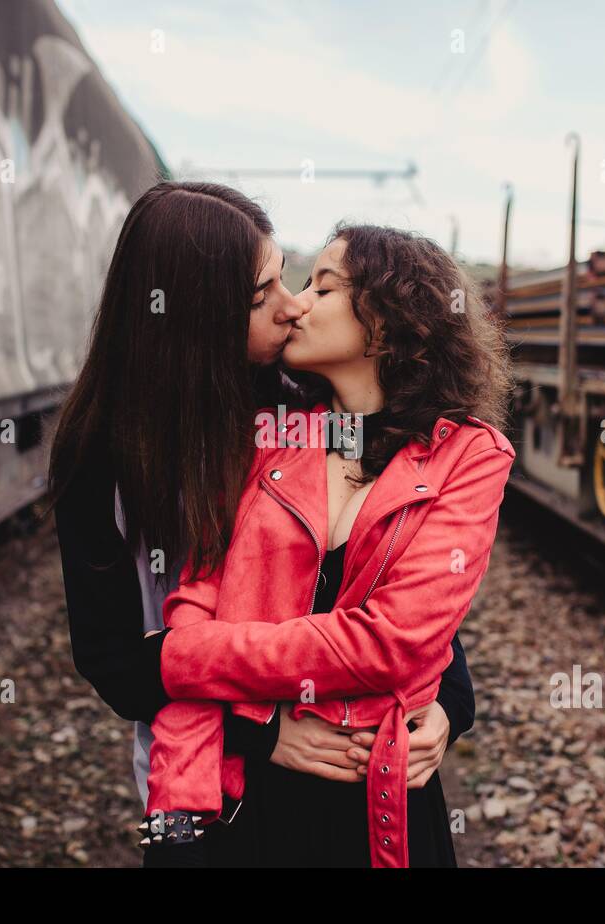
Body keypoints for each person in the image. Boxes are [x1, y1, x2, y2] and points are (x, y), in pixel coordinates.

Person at [45, 183, 476, 864]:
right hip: (203, 774)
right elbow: (113, 656)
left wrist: (451, 699)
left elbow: (402, 581)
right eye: (259, 297)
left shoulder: (297, 401)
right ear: (195, 318)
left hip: (336, 767)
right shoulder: (101, 453)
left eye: (289, 279)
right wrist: (263, 731)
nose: (291, 305)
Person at [141, 224, 514, 867]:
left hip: (373, 797)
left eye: (324, 284)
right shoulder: (265, 437)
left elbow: (395, 640)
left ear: (390, 321)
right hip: (247, 790)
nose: (298, 304)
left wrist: (180, 660)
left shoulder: (469, 456)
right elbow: (198, 597)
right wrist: (204, 779)